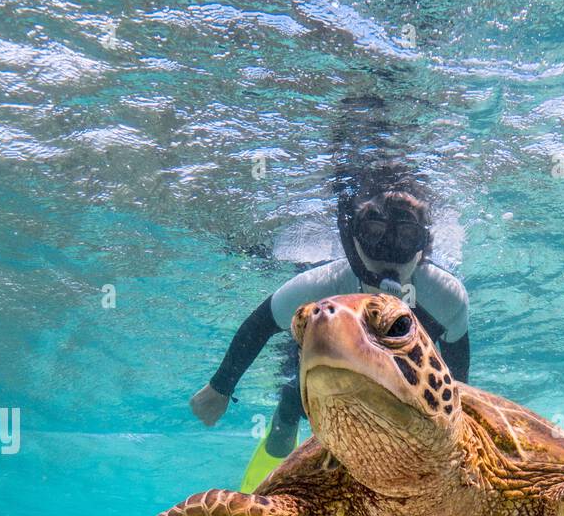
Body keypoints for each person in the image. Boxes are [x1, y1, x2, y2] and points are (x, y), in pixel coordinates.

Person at [190, 167, 470, 490]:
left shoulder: (446, 297)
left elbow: (458, 380)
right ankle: (280, 442)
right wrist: (220, 387)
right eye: (374, 233)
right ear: (353, 239)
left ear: (423, 246)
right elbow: (261, 322)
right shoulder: (321, 284)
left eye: (406, 237)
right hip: (316, 373)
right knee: (292, 404)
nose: (388, 252)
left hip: (393, 386)